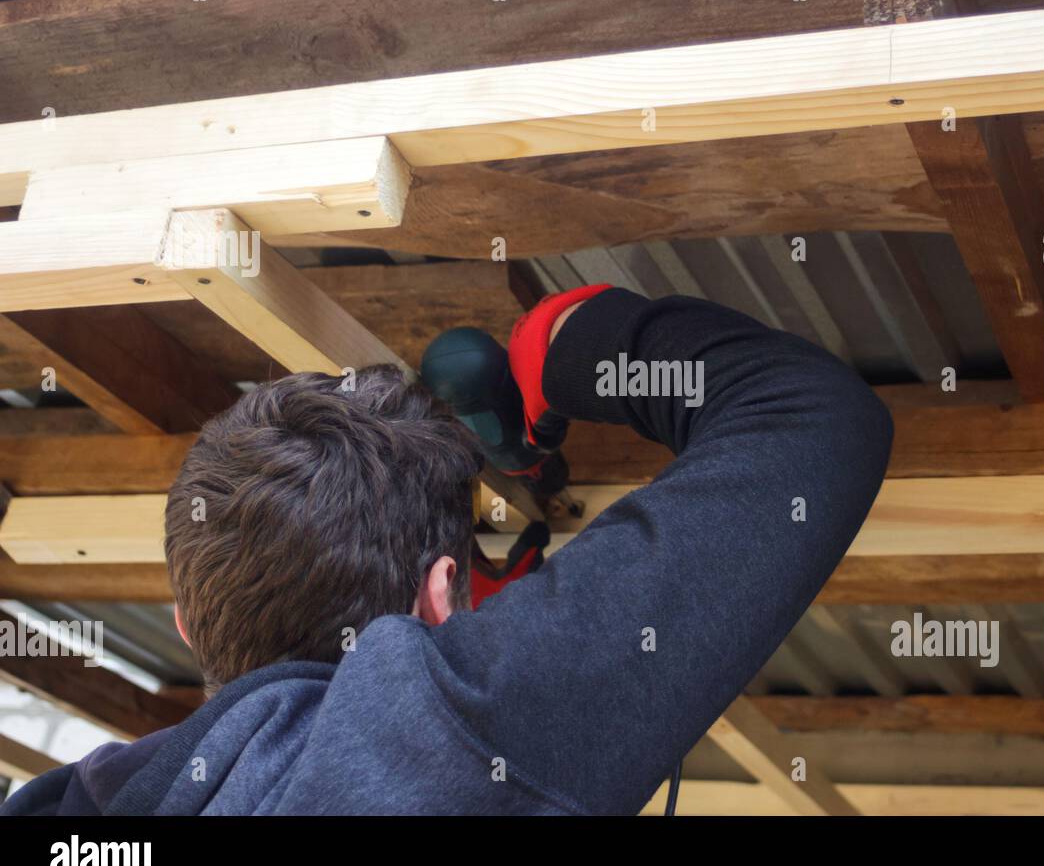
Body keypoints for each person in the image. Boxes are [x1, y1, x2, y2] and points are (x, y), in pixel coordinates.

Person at [1, 285, 892, 815]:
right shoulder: (439, 738)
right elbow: (811, 417)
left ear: (190, 624)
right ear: (442, 593)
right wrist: (572, 347)